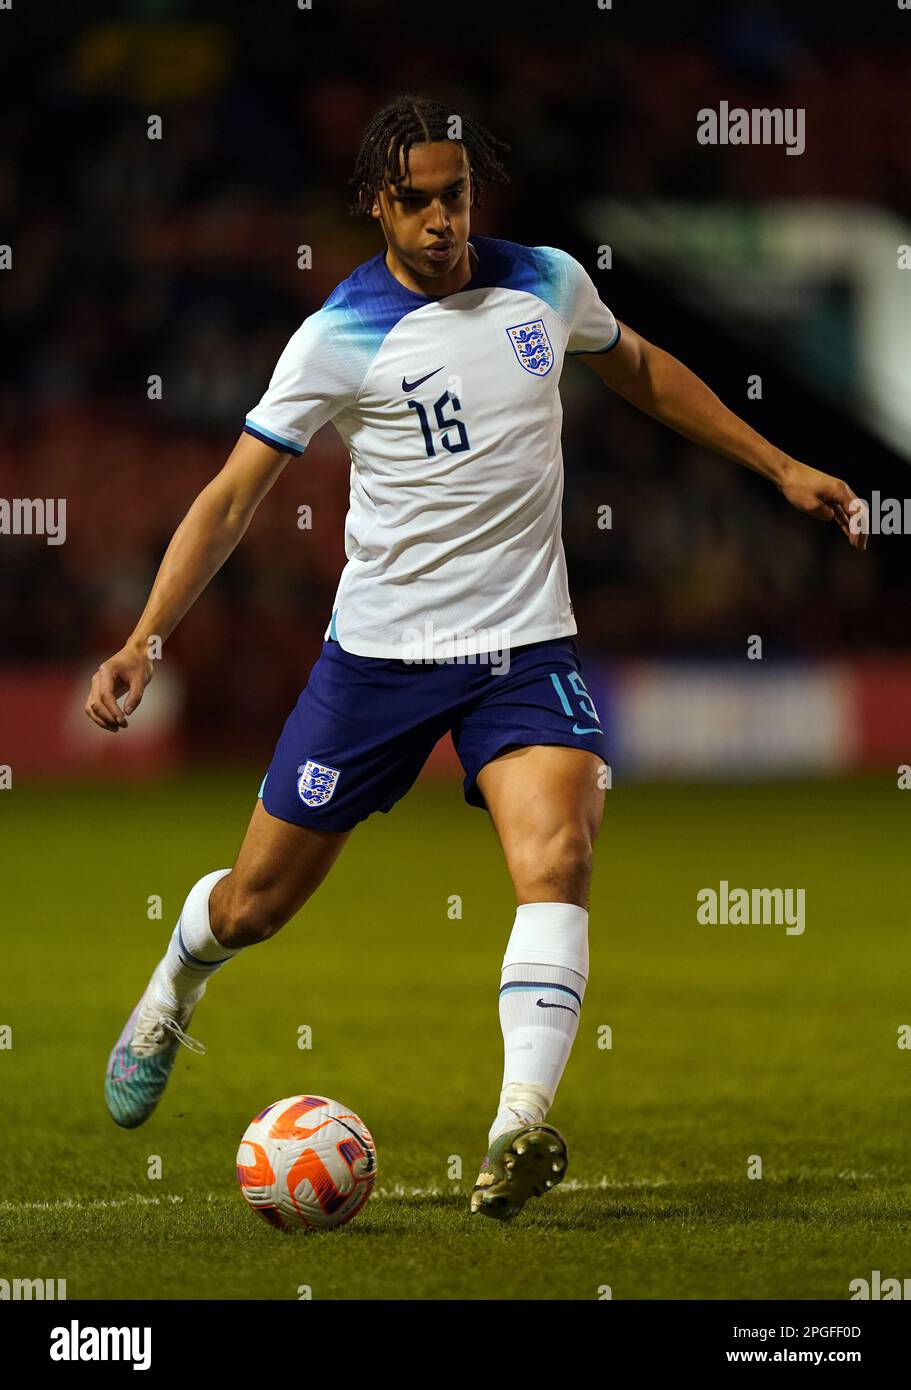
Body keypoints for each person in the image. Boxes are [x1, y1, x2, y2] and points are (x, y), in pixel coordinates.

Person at [86, 94, 865, 1223]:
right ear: (375, 205)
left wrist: (778, 464)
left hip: (523, 646)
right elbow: (230, 499)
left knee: (559, 854)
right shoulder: (337, 335)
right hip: (377, 663)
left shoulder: (546, 281)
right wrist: (143, 637)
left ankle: (514, 1130)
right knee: (254, 905)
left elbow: (639, 367)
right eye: (418, 201)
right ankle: (173, 985)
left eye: (457, 195)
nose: (443, 219)